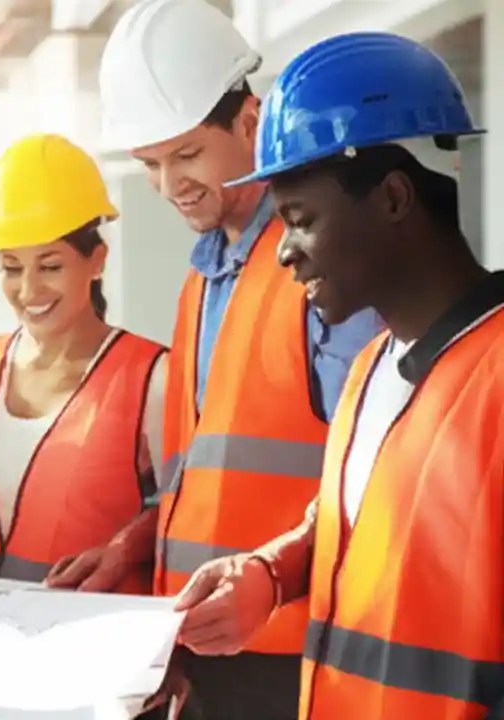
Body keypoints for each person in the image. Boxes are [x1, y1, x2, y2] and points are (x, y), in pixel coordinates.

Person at [47, 1, 386, 717]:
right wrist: (138, 543)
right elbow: (201, 473)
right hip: (202, 651)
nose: (172, 187)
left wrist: (267, 581)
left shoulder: (321, 270)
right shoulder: (201, 280)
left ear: (250, 122)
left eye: (188, 155)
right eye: (151, 165)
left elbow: (379, 482)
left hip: (298, 655)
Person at [171, 32, 504, 720]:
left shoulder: (496, 376)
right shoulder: (368, 375)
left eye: (301, 220)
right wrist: (269, 572)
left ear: (391, 198)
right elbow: (369, 519)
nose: (285, 252)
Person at [0, 134, 166, 598]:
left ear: (96, 261)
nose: (28, 290)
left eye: (50, 265)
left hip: (94, 642)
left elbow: (181, 510)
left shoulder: (149, 375)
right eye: (11, 267)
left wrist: (124, 547)